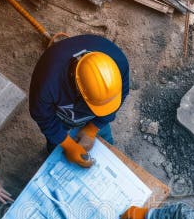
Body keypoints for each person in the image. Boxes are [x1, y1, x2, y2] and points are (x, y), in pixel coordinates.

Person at [29, 34, 130, 168]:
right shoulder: (47, 82)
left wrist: (93, 128)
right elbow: (43, 116)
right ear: (78, 87)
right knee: (58, 150)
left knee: (104, 143)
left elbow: (119, 97)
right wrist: (67, 144)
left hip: (96, 116)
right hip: (61, 117)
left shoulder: (118, 63)